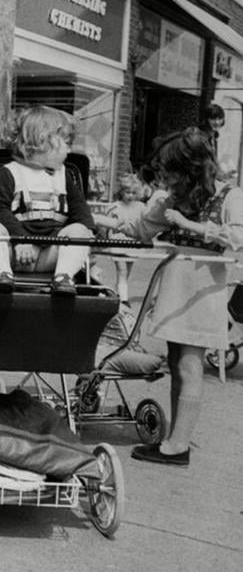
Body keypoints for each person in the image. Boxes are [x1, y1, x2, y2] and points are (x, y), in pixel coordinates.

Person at [108, 127, 243, 466]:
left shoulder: (229, 196)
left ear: (192, 168)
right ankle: (173, 438)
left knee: (189, 365)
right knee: (175, 363)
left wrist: (190, 224)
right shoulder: (174, 199)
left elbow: (237, 237)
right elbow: (142, 228)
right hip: (175, 288)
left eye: (171, 171)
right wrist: (98, 220)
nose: (166, 178)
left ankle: (179, 445)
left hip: (201, 292)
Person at [0, 105, 95, 296]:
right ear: (42, 141)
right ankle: (2, 274)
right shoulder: (8, 173)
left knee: (80, 230)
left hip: (50, 254)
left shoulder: (64, 176)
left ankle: (63, 276)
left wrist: (88, 235)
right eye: (65, 142)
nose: (69, 149)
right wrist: (21, 240)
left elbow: (80, 210)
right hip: (15, 251)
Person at [92, 173, 146, 304]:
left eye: (133, 192)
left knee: (126, 272)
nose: (130, 195)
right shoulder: (115, 206)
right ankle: (123, 299)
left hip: (133, 243)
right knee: (122, 270)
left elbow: (144, 224)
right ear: (122, 191)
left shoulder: (141, 207)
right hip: (118, 242)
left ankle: (119, 294)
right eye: (127, 192)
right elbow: (107, 224)